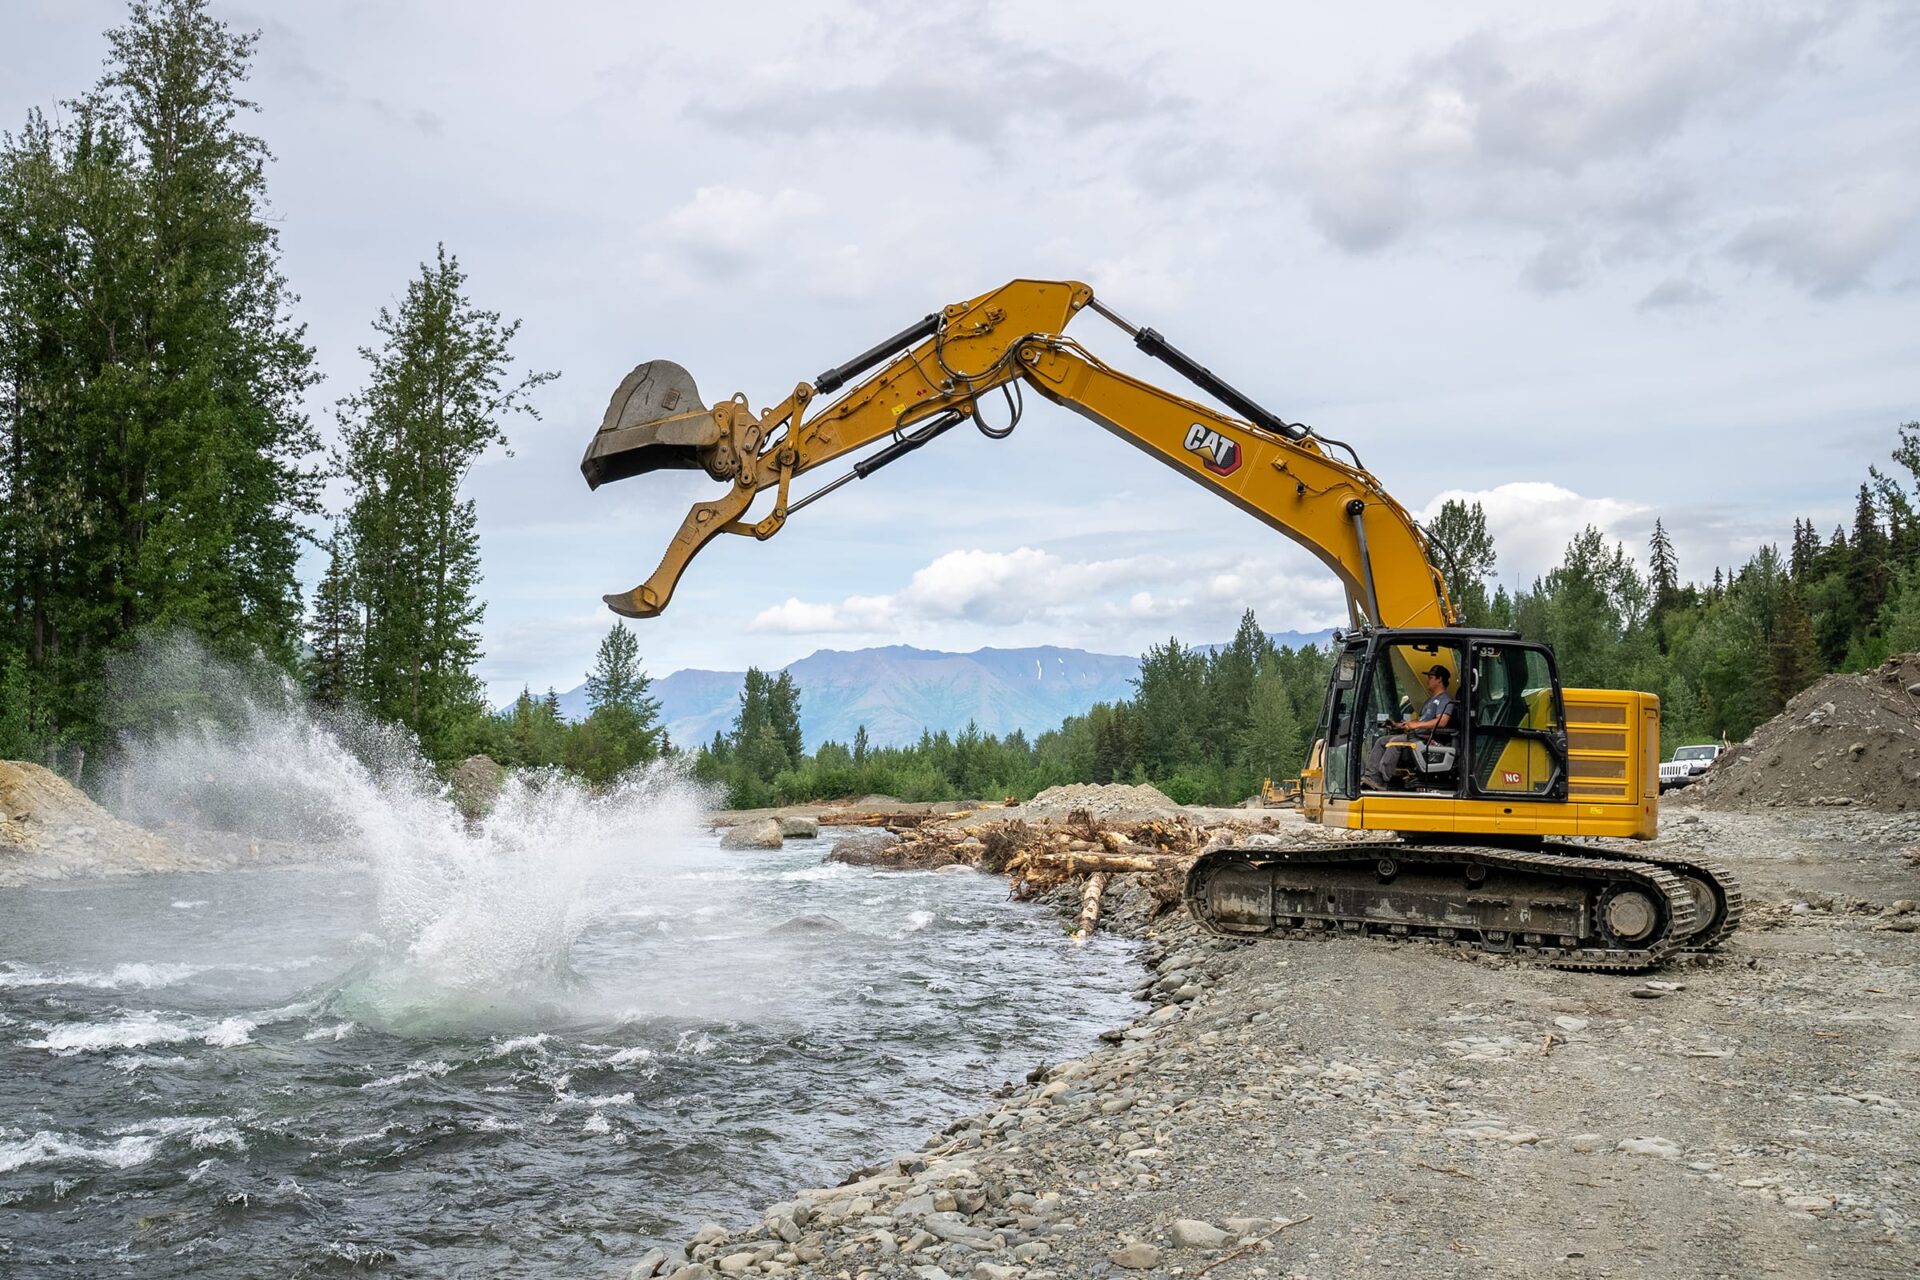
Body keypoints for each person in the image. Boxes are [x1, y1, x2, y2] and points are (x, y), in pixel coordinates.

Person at [1364, 665, 1456, 790]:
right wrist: (1398, 725)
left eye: (1430, 677)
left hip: (1427, 738)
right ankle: (1372, 776)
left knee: (1394, 742)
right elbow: (1420, 720)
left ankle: (1384, 780)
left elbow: (1442, 721)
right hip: (1415, 736)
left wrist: (1417, 725)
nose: (1427, 680)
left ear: (1439, 679)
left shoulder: (1445, 699)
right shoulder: (1430, 701)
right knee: (1382, 741)